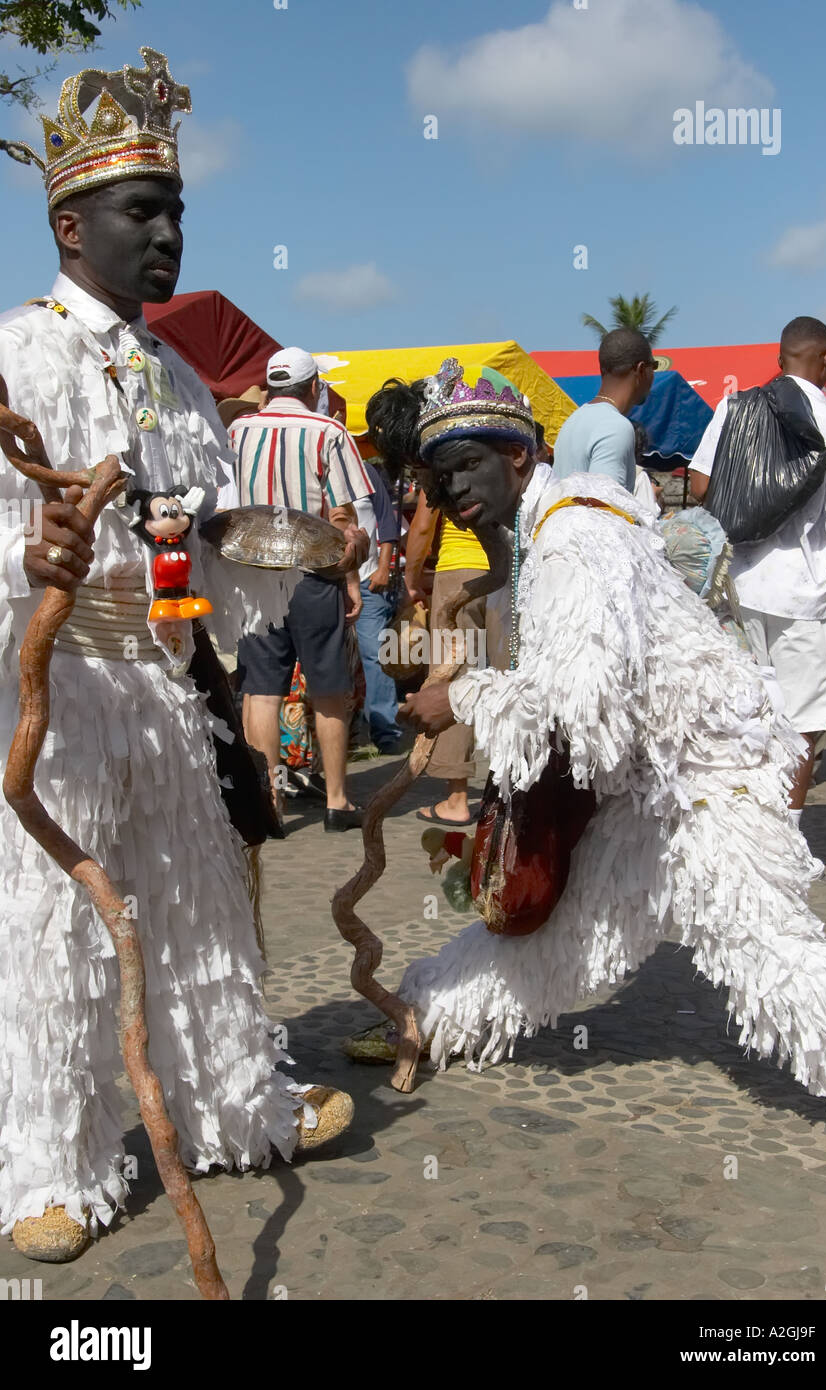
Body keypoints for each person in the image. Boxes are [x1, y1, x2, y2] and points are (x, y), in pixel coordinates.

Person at [0, 48, 356, 1262]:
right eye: (141, 215)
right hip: (68, 692)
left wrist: (286, 544)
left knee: (202, 910)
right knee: (63, 922)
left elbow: (204, 553)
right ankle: (55, 1160)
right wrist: (33, 560)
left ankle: (229, 1107)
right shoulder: (18, 357)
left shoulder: (183, 382)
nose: (168, 239)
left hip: (166, 687)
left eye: (178, 217)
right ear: (68, 221)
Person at [344, 359, 826, 1145]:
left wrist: (464, 697)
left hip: (706, 775)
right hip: (641, 777)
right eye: (438, 481)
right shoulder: (547, 524)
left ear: (517, 455)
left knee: (763, 943)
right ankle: (427, 1015)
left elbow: (579, 704)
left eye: (464, 469)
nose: (452, 494)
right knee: (559, 926)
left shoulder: (574, 536)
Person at [690, 317, 826, 823]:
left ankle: (737, 823)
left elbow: (700, 486)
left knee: (743, 715)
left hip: (736, 589)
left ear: (780, 359)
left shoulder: (734, 406)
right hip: (805, 599)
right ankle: (784, 834)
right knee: (803, 725)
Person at [230, 347, 374, 830]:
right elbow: (341, 518)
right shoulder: (328, 433)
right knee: (329, 690)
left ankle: (269, 802)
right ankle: (337, 802)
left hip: (253, 578)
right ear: (313, 388)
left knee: (261, 691)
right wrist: (351, 579)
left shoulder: (236, 432)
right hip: (313, 575)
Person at [369, 377, 509, 827]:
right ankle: (509, 784)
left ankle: (455, 795)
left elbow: (424, 529)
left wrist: (412, 582)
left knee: (453, 680)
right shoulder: (460, 440)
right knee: (502, 673)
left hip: (458, 573)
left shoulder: (439, 456)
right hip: (498, 574)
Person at [551, 329, 656, 490]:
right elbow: (605, 510)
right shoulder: (615, 427)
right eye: (653, 366)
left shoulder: (572, 421)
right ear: (641, 370)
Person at [352, 460, 406, 753]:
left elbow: (387, 523)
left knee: (375, 653)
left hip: (366, 579)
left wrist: (384, 567)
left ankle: (386, 730)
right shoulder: (310, 467)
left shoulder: (366, 471)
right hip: (325, 582)